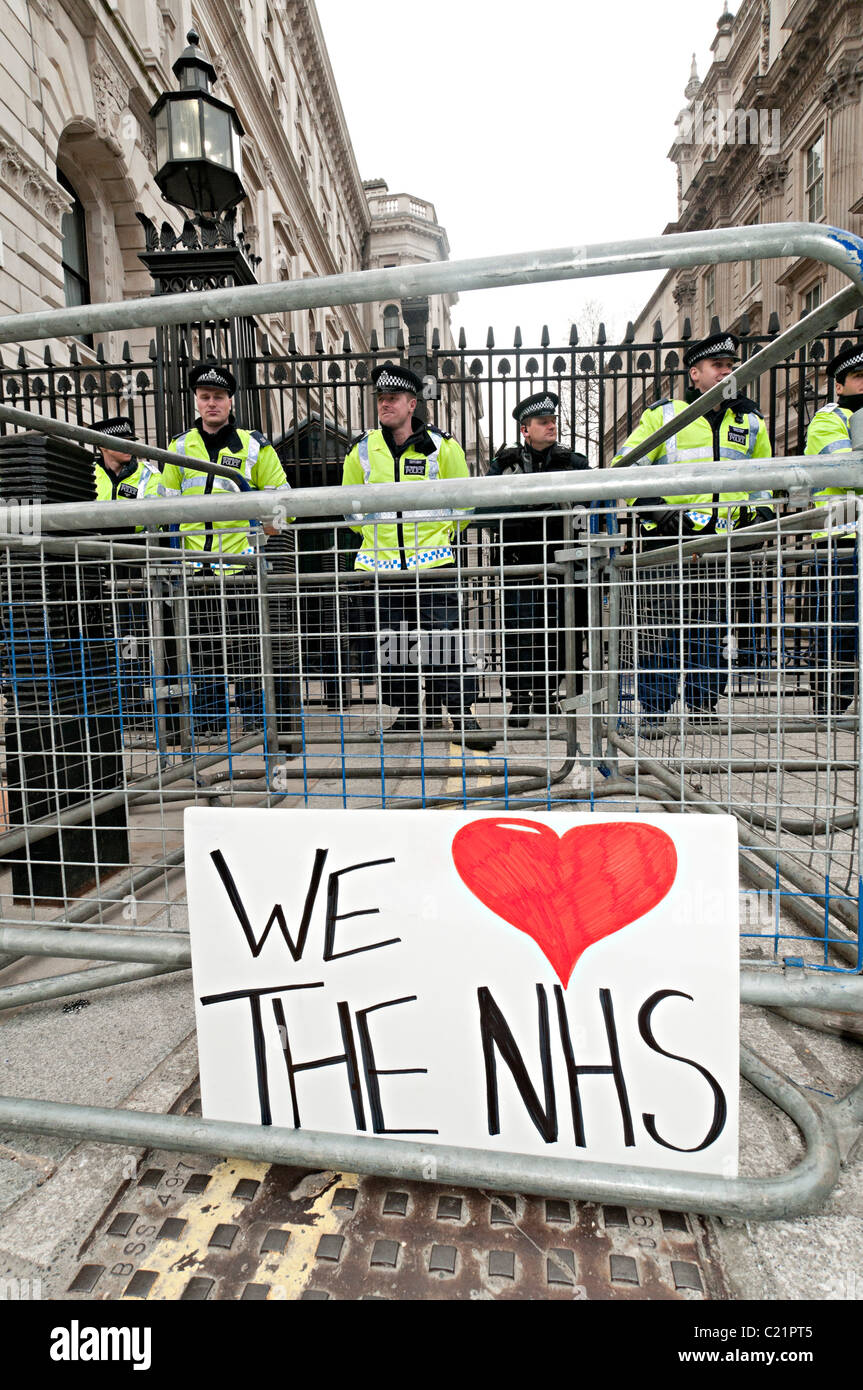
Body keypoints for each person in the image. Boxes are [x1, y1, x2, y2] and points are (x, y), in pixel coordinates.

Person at [611, 331, 773, 736]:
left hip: (723, 546)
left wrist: (762, 516)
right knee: (662, 630)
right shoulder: (664, 416)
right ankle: (654, 711)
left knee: (710, 630)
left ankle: (703, 707)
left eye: (729, 365)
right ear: (695, 373)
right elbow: (625, 466)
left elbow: (764, 479)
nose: (727, 371)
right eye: (718, 366)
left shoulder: (749, 420)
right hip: (671, 543)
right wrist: (656, 511)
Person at [342, 364, 493, 749]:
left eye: (392, 399)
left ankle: (461, 715)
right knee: (396, 644)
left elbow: (466, 504)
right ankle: (407, 714)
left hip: (433, 564)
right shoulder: (361, 450)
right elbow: (349, 509)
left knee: (444, 643)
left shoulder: (442, 447)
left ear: (412, 404)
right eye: (380, 399)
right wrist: (378, 544)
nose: (384, 404)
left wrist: (440, 536)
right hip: (381, 567)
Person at [151, 363, 292, 735]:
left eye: (218, 397)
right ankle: (210, 723)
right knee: (202, 651)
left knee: (249, 652)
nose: (211, 403)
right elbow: (165, 511)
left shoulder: (253, 446)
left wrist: (264, 531)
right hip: (195, 569)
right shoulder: (179, 447)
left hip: (241, 566)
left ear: (230, 401)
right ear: (196, 401)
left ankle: (256, 722)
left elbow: (283, 501)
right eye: (204, 397)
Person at [483, 392, 589, 727]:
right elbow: (485, 507)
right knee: (519, 632)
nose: (551, 426)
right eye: (543, 422)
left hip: (561, 562)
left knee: (560, 630)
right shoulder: (506, 464)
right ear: (525, 429)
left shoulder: (572, 462)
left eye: (553, 421)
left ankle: (547, 694)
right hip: (520, 563)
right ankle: (520, 699)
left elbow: (591, 500)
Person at [803, 341, 863, 716]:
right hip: (840, 540)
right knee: (836, 628)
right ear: (839, 386)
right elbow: (852, 472)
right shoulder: (828, 420)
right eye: (859, 377)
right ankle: (831, 705)